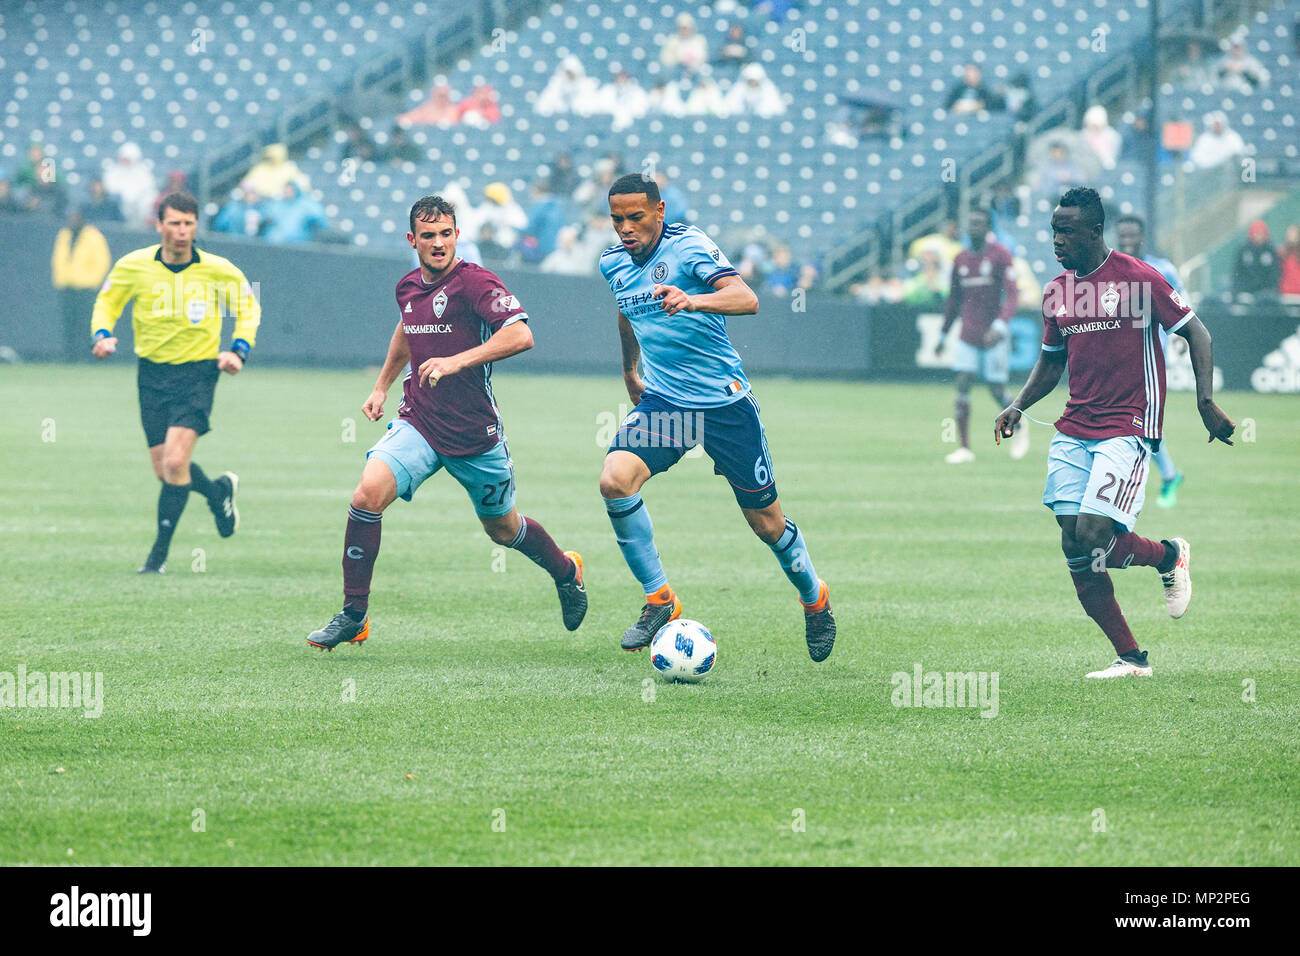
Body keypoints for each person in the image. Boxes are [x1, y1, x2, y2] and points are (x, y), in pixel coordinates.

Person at [306, 195, 587, 649]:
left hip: (474, 433)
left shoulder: (475, 282)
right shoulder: (407, 287)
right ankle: (354, 614)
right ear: (412, 239)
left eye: (445, 234)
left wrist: (457, 361)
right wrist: (381, 386)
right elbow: (406, 328)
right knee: (366, 495)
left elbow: (521, 334)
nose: (438, 244)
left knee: (503, 529)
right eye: (428, 236)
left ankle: (566, 571)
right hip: (418, 421)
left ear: (457, 234)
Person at [995, 187, 1234, 679]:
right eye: (1054, 230)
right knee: (1072, 541)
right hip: (1074, 425)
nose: (1057, 240)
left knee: (1094, 535)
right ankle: (1130, 657)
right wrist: (1018, 405)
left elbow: (1197, 332)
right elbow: (1050, 360)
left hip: (1128, 424)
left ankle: (1169, 554)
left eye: (1067, 231)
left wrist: (1205, 402)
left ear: (1094, 231)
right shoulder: (1058, 291)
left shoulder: (1140, 279)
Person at [597, 173, 837, 661]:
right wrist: (629, 367)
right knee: (615, 480)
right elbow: (626, 311)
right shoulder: (612, 263)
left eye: (636, 217)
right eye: (617, 219)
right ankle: (659, 599)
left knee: (767, 525)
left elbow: (746, 299)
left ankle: (815, 599)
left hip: (724, 404)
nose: (625, 228)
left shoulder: (688, 248)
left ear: (659, 212)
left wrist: (694, 298)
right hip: (666, 402)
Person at [91, 192, 260, 573]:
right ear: (159, 225)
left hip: (198, 373)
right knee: (167, 472)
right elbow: (107, 302)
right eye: (174, 223)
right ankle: (218, 493)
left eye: (189, 223)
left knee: (175, 460)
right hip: (151, 374)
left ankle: (157, 558)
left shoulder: (219, 269)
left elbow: (248, 309)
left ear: (196, 226)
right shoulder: (133, 266)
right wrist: (101, 334)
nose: (182, 231)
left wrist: (238, 349)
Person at [935, 207, 1024, 463]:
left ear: (988, 229)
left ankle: (1018, 426)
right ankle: (964, 447)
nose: (974, 227)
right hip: (968, 334)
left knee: (996, 389)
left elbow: (1013, 294)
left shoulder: (1000, 255)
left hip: (993, 334)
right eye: (971, 223)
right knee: (962, 382)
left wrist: (1000, 326)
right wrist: (942, 336)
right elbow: (953, 301)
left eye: (979, 223)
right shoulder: (960, 259)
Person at [1115, 215, 1187, 508]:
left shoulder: (1163, 268)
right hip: (1118, 353)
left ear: (1142, 237)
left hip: (1151, 354)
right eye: (1122, 235)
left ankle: (1136, 484)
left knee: (1136, 419)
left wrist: (1183, 336)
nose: (1126, 240)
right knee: (1133, 419)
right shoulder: (1110, 267)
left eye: (1131, 235)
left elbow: (1181, 301)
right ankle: (1166, 475)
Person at [51, 207, 111, 362]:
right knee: (69, 323)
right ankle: (69, 355)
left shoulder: (93, 236)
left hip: (86, 288)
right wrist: (60, 278)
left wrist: (92, 282)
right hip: (67, 286)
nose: (72, 220)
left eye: (75, 217)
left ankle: (86, 355)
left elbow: (102, 261)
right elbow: (58, 258)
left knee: (85, 323)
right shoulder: (64, 235)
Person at [102, 142, 157, 227]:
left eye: (128, 159)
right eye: (123, 159)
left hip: (139, 208)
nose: (125, 161)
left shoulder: (144, 173)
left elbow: (148, 190)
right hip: (119, 206)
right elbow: (110, 189)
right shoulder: (112, 172)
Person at [1233, 220, 1280, 295]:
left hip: (1265, 291)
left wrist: (1271, 289)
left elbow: (1275, 272)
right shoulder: (1243, 250)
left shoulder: (1270, 250)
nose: (1259, 236)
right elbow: (1237, 271)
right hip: (1246, 290)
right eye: (1256, 233)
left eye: (1261, 233)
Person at [1278, 225, 1300, 295]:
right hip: (1285, 292)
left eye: (1295, 234)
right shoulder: (1281, 253)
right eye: (1290, 234)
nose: (1292, 237)